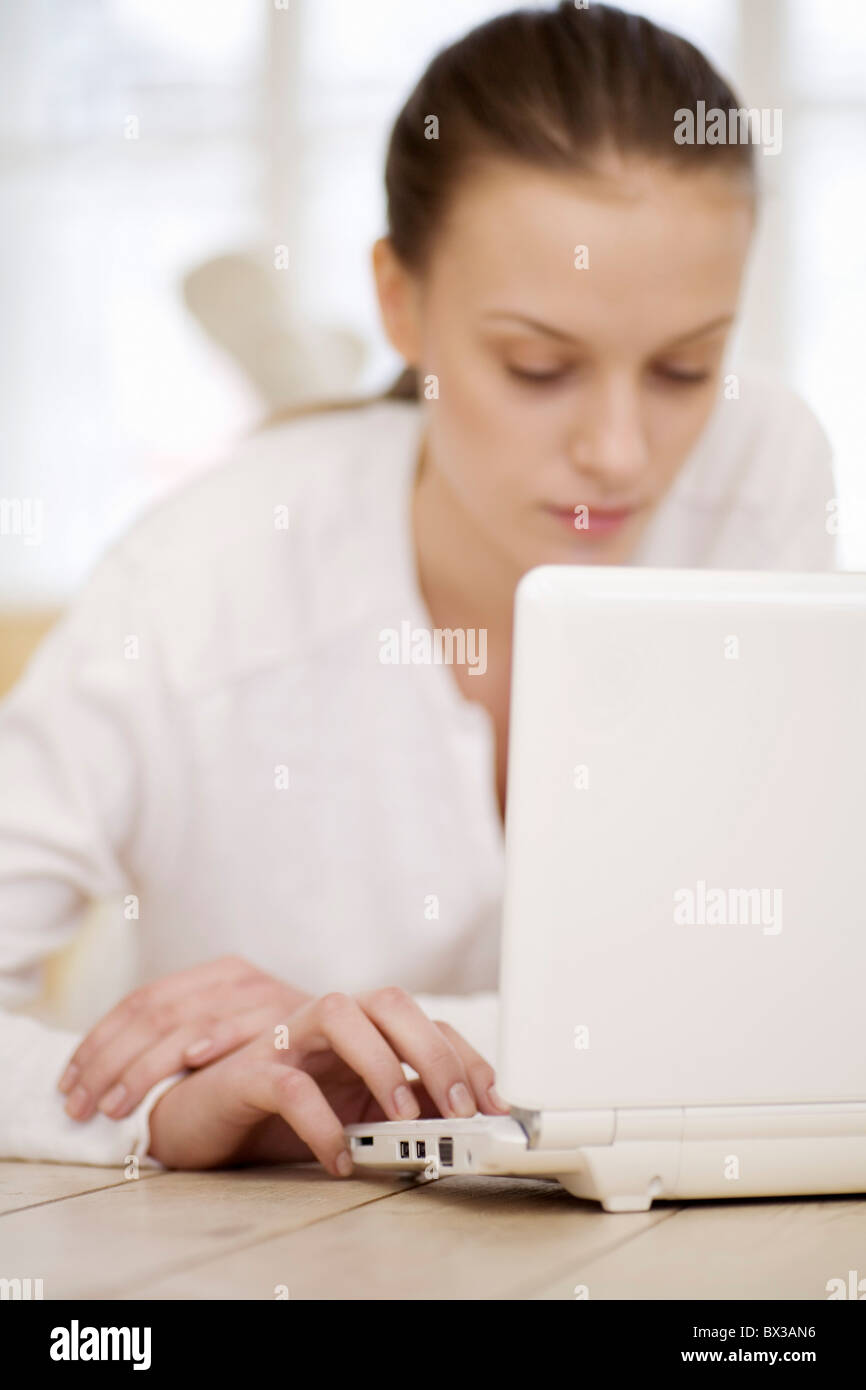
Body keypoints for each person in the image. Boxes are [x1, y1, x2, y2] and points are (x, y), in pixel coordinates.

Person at [0, 3, 836, 1177]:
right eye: (536, 367)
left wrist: (403, 1061)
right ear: (399, 300)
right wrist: (154, 1110)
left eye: (683, 366)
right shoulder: (198, 580)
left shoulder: (757, 475)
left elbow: (797, 979)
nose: (621, 452)